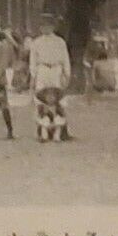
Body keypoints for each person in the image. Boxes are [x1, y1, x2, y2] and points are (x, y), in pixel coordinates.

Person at [30, 13, 72, 142]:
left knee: (59, 99)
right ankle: (41, 130)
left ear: (53, 27)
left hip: (56, 70)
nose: (46, 29)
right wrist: (33, 76)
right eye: (43, 26)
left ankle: (62, 130)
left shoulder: (60, 42)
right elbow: (33, 61)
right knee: (40, 100)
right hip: (42, 70)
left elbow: (65, 59)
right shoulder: (36, 42)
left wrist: (67, 75)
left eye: (48, 26)